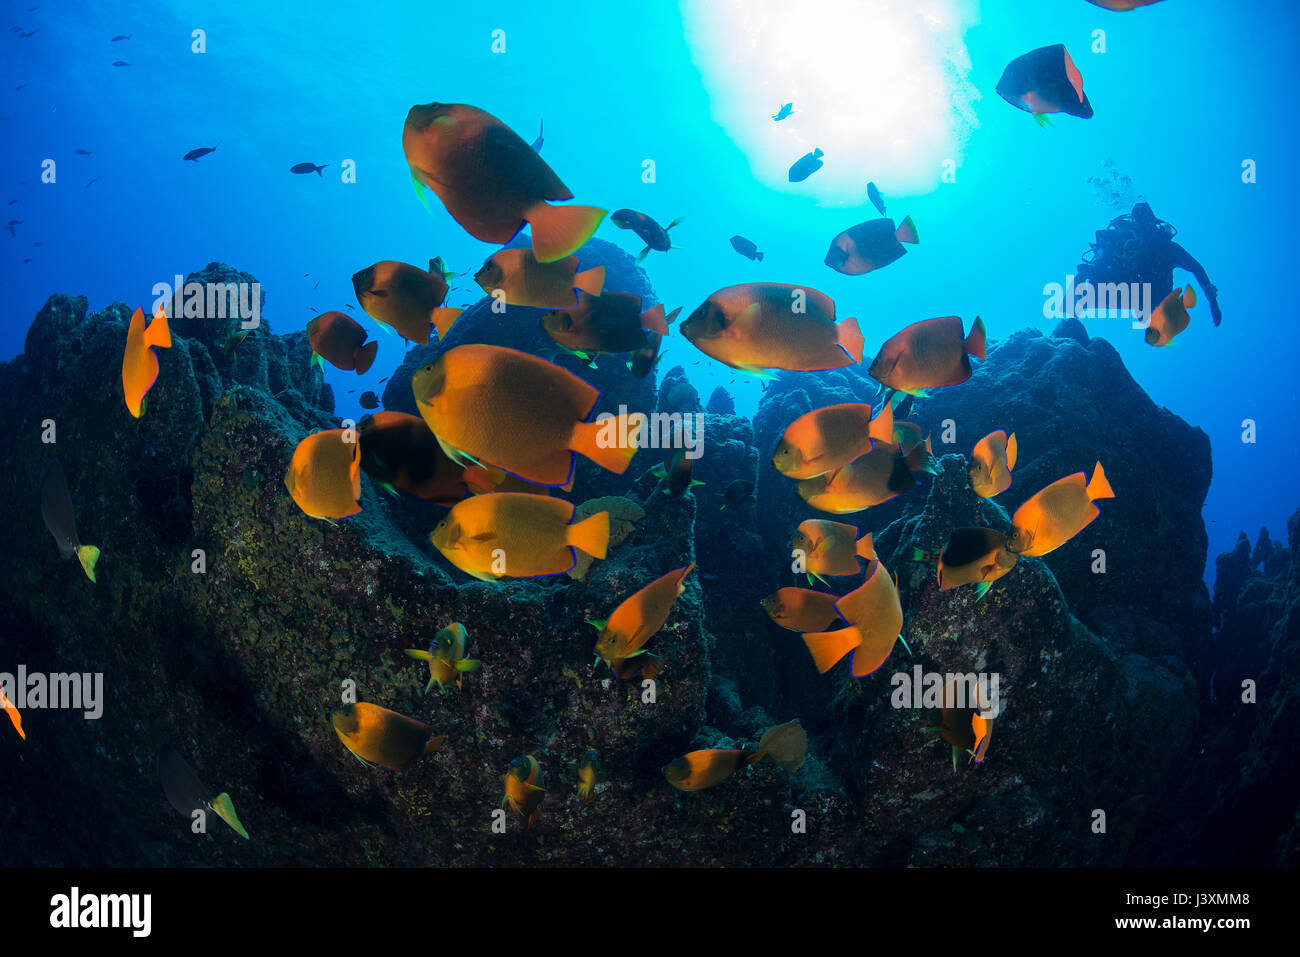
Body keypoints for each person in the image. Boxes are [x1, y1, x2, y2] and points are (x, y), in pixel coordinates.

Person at [1076, 201, 1222, 325]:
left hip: (1129, 287)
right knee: (1138, 301)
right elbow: (1196, 268)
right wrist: (1213, 302)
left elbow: (1196, 268)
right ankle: (1081, 295)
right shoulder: (1167, 248)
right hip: (1141, 291)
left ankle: (1079, 297)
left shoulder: (1133, 241)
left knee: (1099, 289)